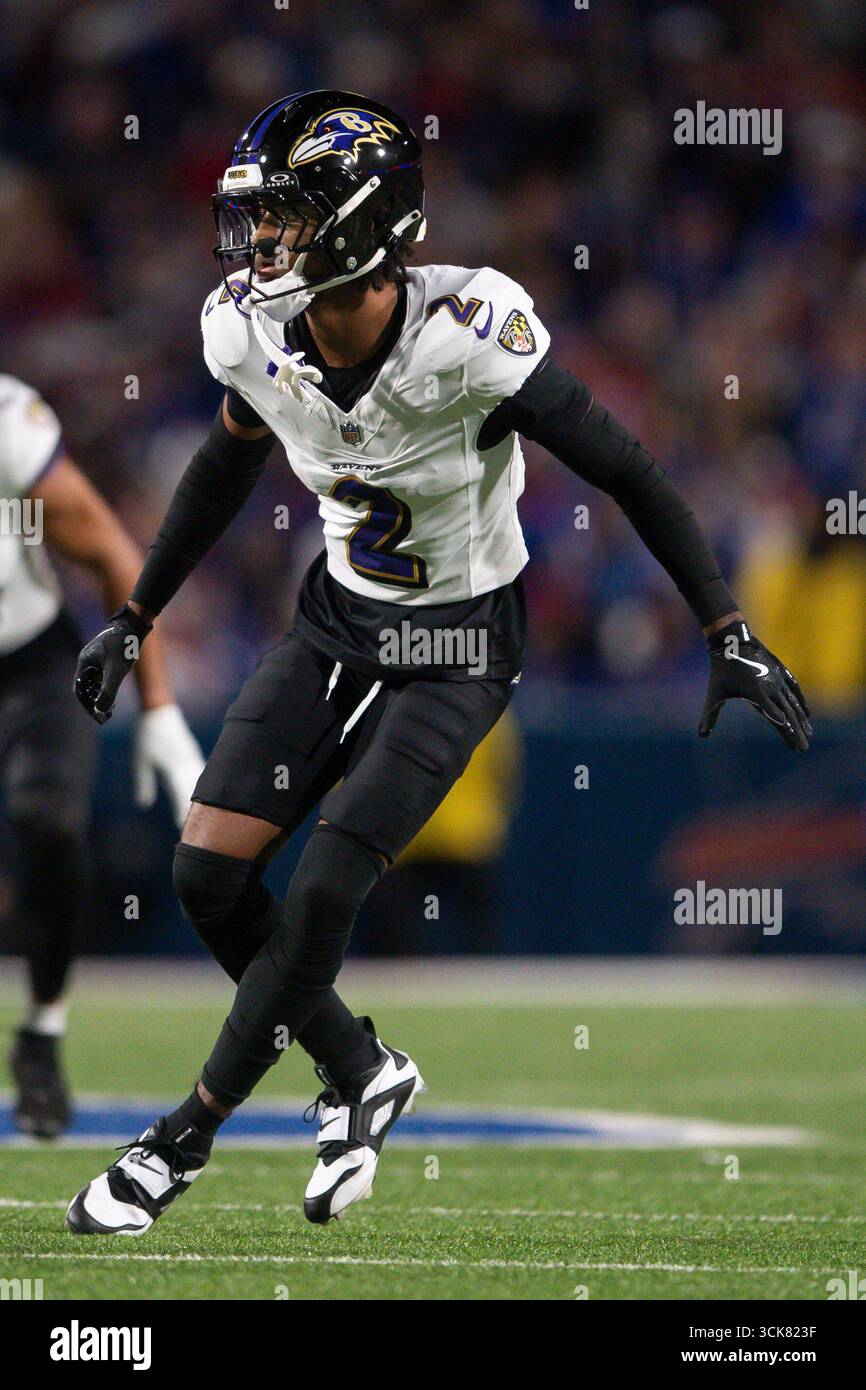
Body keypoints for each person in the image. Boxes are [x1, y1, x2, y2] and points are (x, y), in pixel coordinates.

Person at [65, 91, 810, 1232]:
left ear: (362, 226)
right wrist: (137, 613)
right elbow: (225, 462)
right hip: (333, 620)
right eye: (259, 217)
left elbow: (625, 465)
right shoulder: (254, 331)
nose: (261, 242)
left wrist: (723, 627)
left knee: (323, 882)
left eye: (289, 216)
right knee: (207, 876)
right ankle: (362, 1069)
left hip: (460, 640)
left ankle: (182, 1137)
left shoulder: (464, 333)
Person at [0, 374, 203, 1137]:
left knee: (48, 820)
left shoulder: (6, 429)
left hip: (26, 661)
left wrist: (159, 708)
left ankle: (43, 1031)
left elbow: (116, 556)